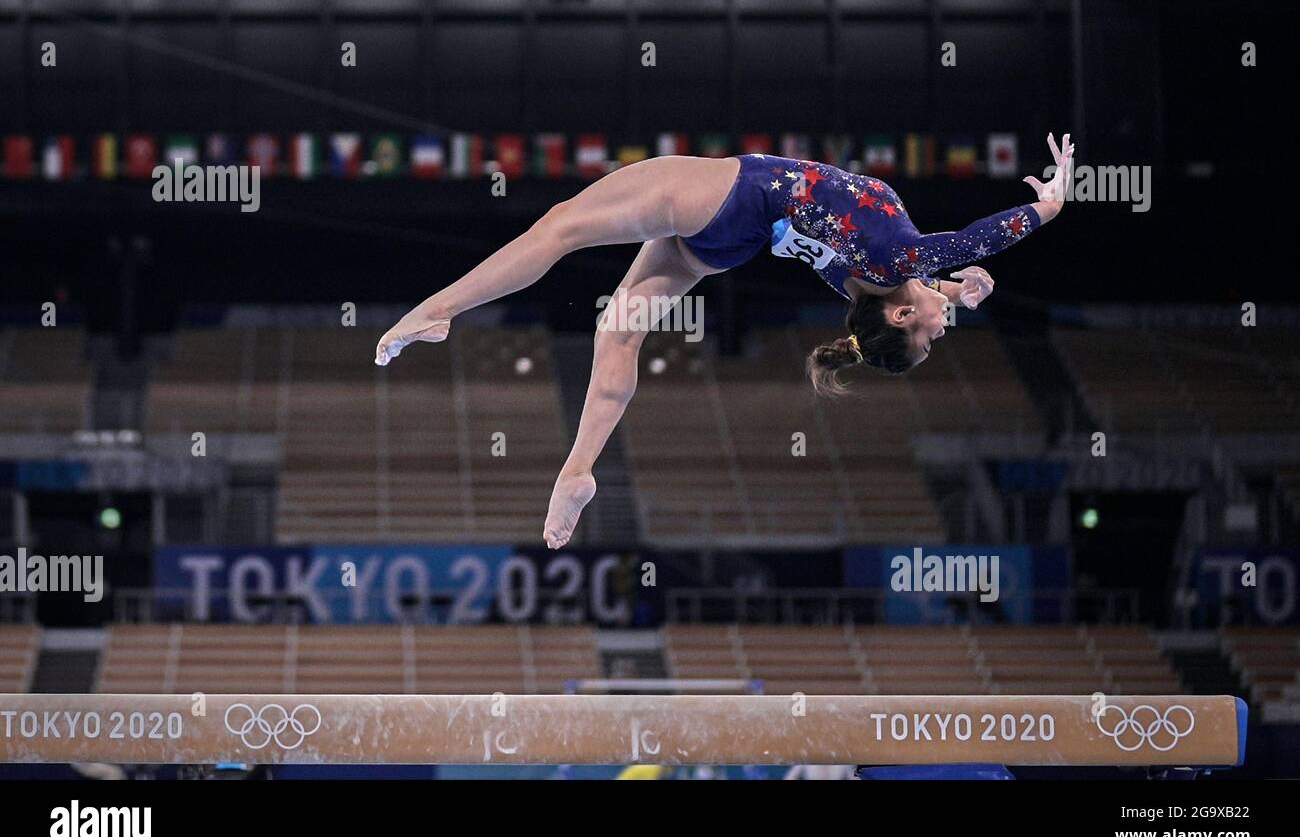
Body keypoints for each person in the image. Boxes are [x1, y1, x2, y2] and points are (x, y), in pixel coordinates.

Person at [375, 133, 1073, 548]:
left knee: (560, 226)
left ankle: (436, 310)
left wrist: (1048, 206)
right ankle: (579, 466)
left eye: (929, 336)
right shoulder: (865, 280)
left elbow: (968, 240)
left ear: (898, 316)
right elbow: (888, 274)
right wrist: (955, 293)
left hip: (729, 195)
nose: (942, 329)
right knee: (618, 328)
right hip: (735, 241)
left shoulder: (897, 264)